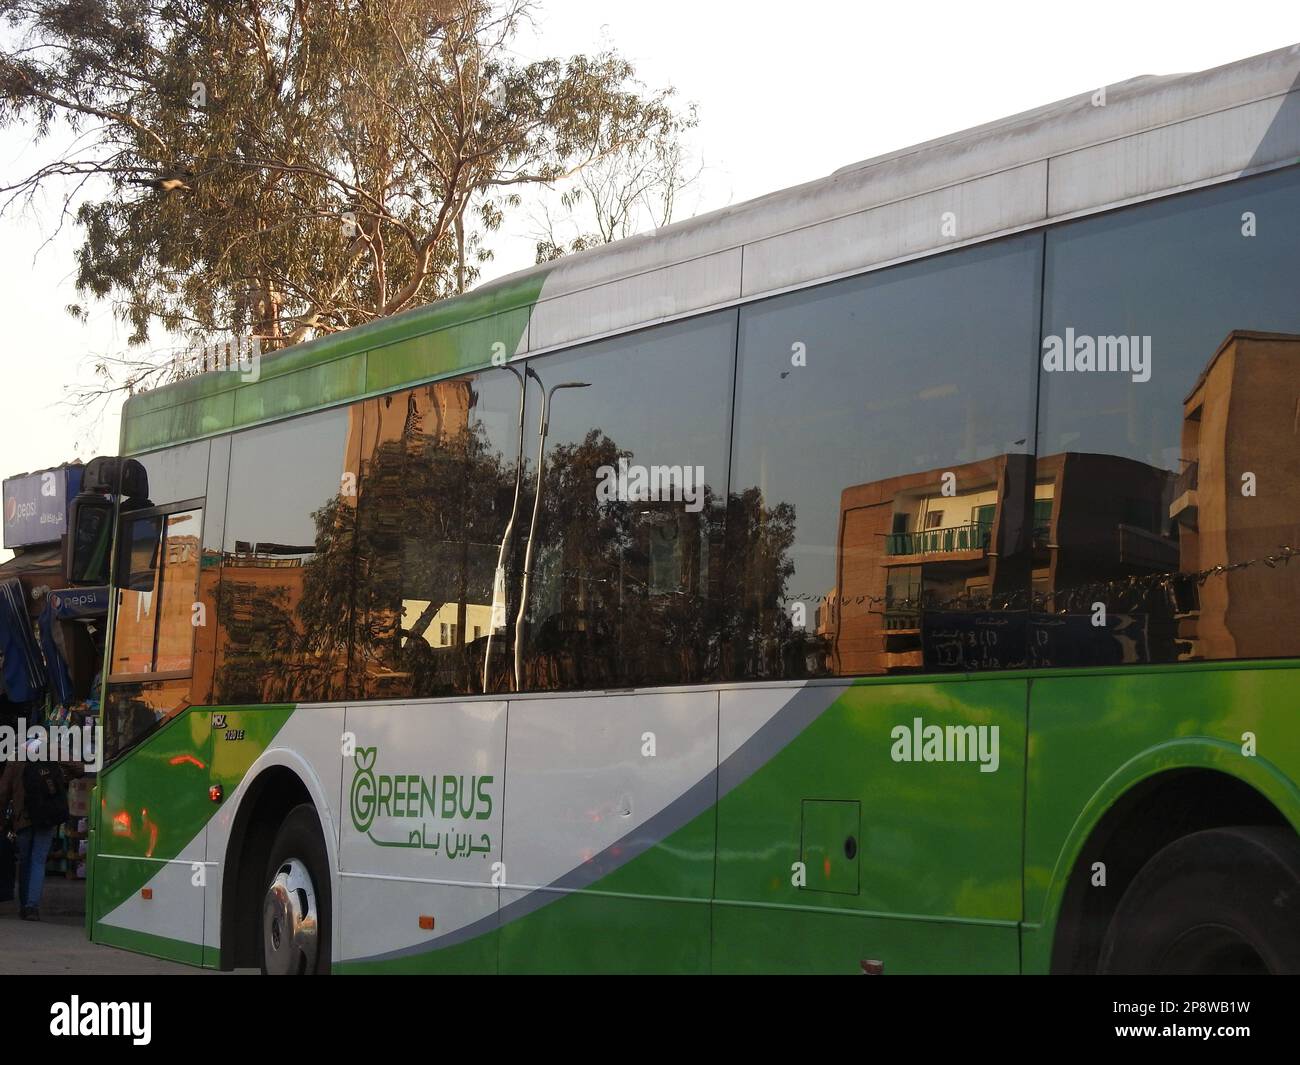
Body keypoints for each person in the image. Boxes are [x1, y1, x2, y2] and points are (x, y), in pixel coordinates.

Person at [0, 735, 68, 920]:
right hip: (46, 818)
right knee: (38, 861)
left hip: (22, 819)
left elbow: (3, 793)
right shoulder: (49, 755)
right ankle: (32, 906)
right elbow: (77, 767)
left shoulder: (16, 758)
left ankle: (24, 905)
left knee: (25, 861)